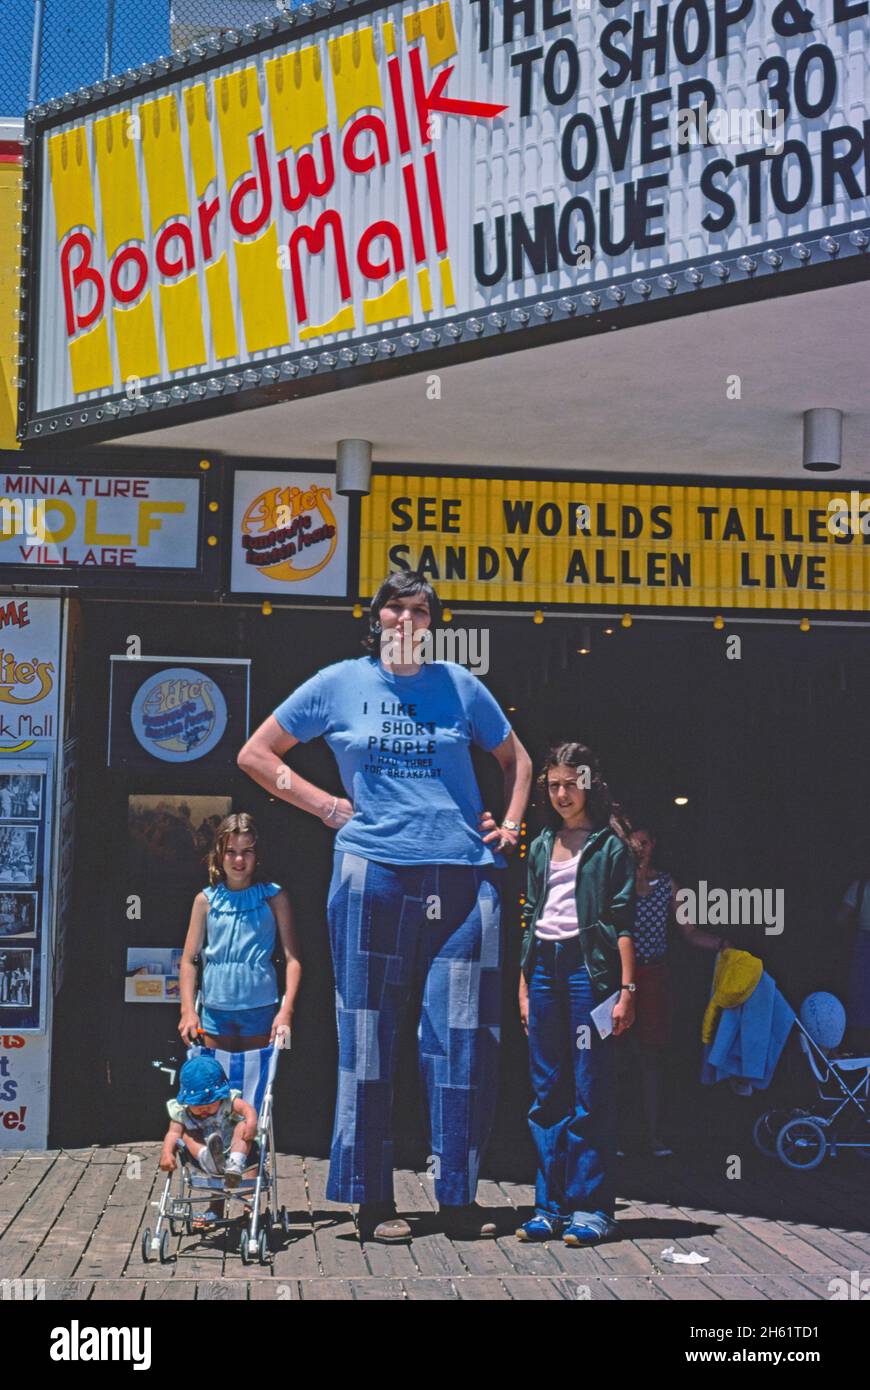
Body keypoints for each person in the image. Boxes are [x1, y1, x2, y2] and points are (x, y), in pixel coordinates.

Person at [238, 570, 533, 1244]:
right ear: (374, 619)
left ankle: (456, 1198)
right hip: (372, 874)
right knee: (367, 1035)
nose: (407, 620)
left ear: (433, 623)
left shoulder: (460, 686)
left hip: (464, 879)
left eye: (420, 611)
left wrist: (511, 827)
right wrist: (327, 806)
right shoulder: (339, 683)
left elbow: (516, 760)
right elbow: (256, 754)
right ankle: (372, 1202)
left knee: (463, 1040)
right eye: (395, 609)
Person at [515, 742, 635, 1247]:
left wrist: (627, 989)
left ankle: (592, 1208)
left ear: (589, 783)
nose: (561, 793)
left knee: (590, 1089)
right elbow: (529, 917)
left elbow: (623, 921)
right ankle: (550, 1207)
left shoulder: (610, 846)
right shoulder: (542, 842)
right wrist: (522, 983)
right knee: (547, 1093)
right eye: (553, 784)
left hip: (591, 973)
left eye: (571, 783)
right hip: (543, 968)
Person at [623, 823, 728, 1157]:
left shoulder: (668, 886)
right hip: (618, 976)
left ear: (654, 844)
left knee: (650, 1058)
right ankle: (615, 1138)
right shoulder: (616, 880)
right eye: (633, 844)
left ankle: (651, 1136)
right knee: (615, 1057)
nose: (639, 849)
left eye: (644, 843)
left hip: (653, 975)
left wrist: (723, 945)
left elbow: (690, 931)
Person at [178, 813, 300, 1052]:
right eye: (231, 851)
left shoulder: (274, 898)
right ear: (219, 854)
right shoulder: (205, 901)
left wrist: (287, 1012)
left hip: (260, 1009)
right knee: (218, 1083)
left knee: (256, 1082)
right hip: (215, 1010)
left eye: (247, 852)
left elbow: (293, 960)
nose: (239, 859)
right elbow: (188, 960)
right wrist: (188, 1011)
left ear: (258, 856)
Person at [160, 1056, 258, 1230]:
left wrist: (250, 1123)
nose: (203, 1108)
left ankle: (249, 1205)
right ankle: (210, 1162)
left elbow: (247, 1109)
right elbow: (173, 1133)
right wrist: (167, 1153)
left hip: (237, 1152)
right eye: (197, 1104)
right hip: (203, 1158)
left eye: (209, 1103)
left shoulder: (228, 1101)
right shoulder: (183, 1112)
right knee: (187, 1133)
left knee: (241, 1127)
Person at [837, 871, 870, 1054]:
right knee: (860, 999)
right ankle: (859, 1050)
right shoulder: (860, 887)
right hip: (863, 948)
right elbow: (841, 919)